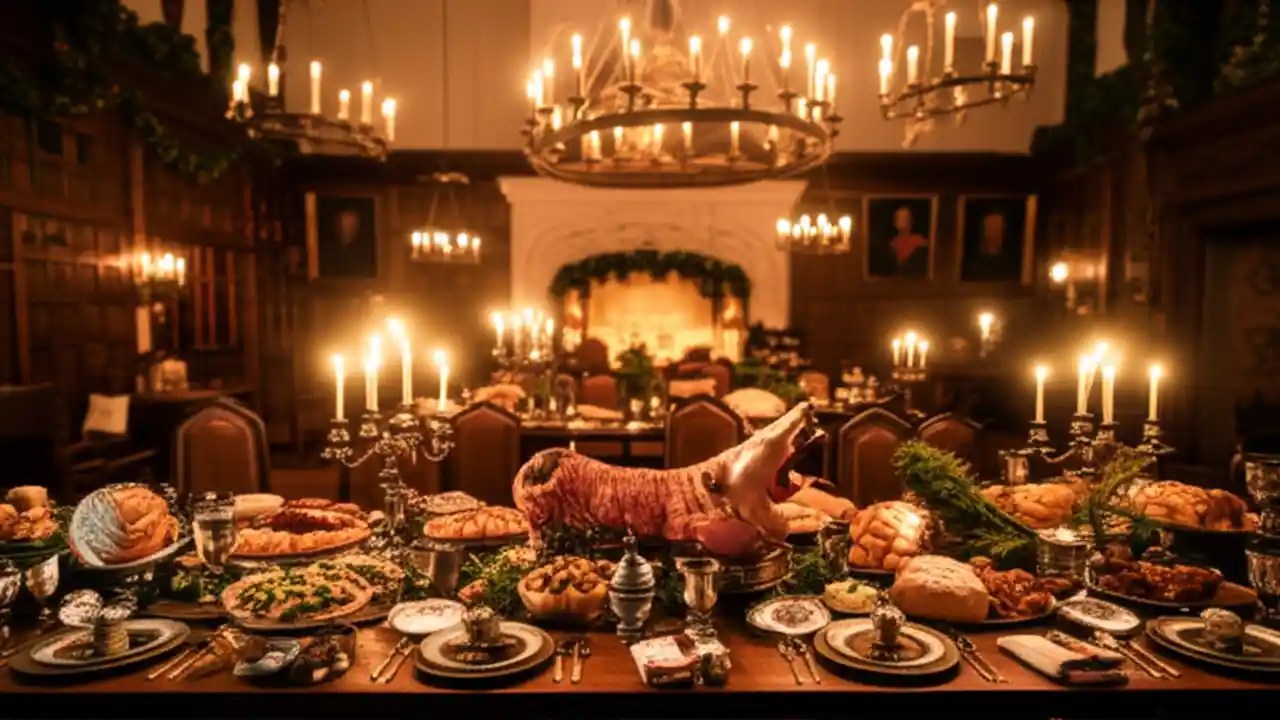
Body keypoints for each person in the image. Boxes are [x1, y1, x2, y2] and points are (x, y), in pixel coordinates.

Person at [869, 204, 930, 278]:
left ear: (911, 220)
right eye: (900, 218)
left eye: (906, 218)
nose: (903, 221)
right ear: (895, 222)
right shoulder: (891, 244)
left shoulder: (920, 241)